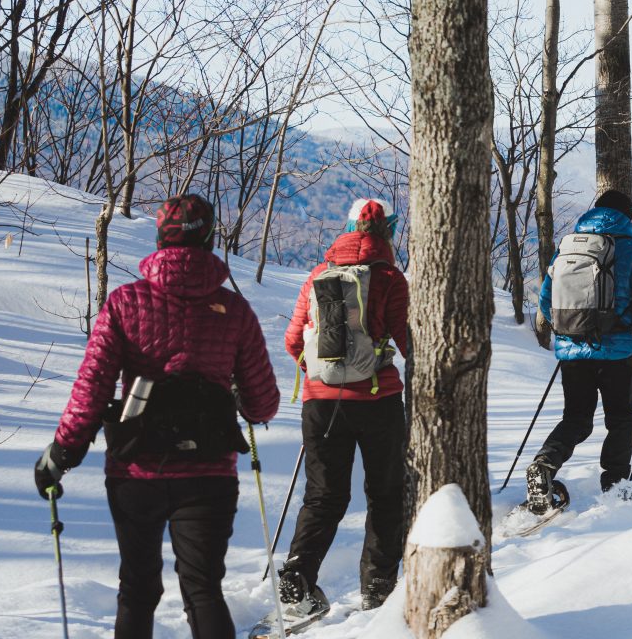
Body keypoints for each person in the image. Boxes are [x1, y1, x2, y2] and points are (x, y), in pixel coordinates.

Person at [34, 194, 279, 639]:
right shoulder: (236, 311)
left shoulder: (125, 303)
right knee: (204, 591)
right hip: (209, 473)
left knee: (137, 591)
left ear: (159, 237)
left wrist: (63, 450)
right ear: (209, 237)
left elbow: (92, 387)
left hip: (136, 469)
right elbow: (263, 405)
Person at [278, 199, 411, 617]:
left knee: (322, 497)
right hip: (378, 400)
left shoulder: (318, 275)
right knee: (386, 494)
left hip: (321, 404)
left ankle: (298, 579)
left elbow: (293, 341)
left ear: (349, 227)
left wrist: (322, 373)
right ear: (386, 232)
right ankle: (378, 587)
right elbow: (409, 342)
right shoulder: (390, 278)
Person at [528, 189, 632, 510]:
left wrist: (570, 332)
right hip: (615, 354)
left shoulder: (569, 248)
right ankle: (615, 486)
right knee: (621, 420)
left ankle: (544, 464)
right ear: (629, 215)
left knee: (576, 419)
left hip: (572, 353)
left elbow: (546, 300)